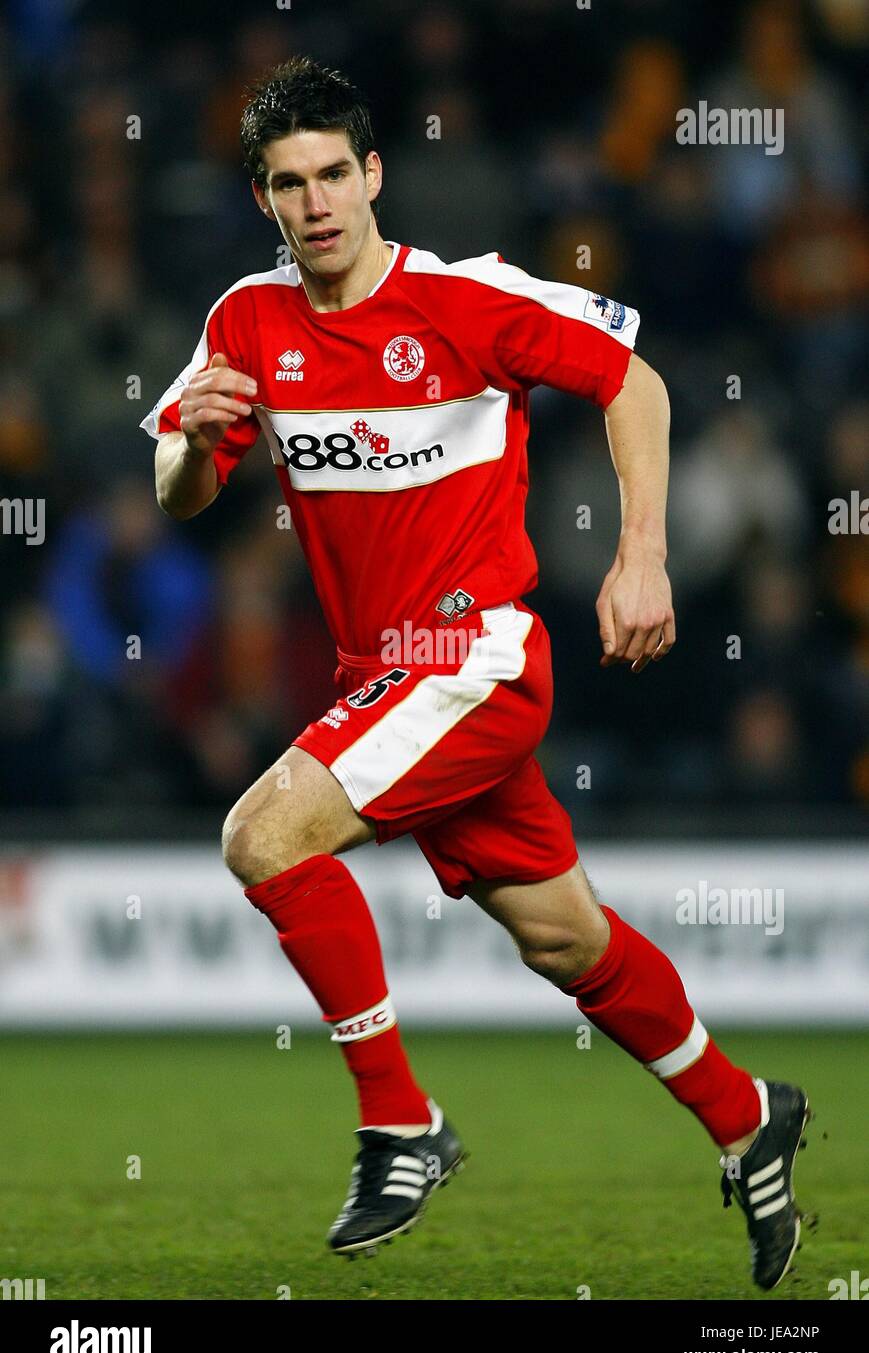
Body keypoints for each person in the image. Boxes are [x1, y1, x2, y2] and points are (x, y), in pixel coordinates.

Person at [140, 56, 812, 1288]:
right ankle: (742, 1111)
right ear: (263, 200)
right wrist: (187, 442)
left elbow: (634, 382)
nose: (318, 202)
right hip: (378, 682)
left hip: (471, 658)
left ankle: (399, 1122)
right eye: (289, 184)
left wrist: (641, 555)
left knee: (261, 836)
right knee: (562, 938)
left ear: (373, 173)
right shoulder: (243, 323)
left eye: (336, 172)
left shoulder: (464, 300)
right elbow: (183, 494)